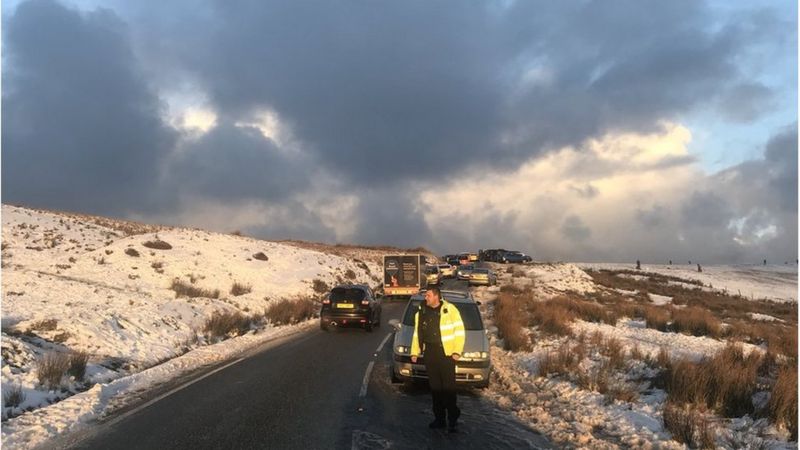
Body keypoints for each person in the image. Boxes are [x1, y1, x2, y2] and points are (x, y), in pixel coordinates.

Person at [410, 287, 465, 432]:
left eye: (428, 295)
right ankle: (439, 418)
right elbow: (417, 333)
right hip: (430, 352)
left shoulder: (450, 309)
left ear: (436, 297)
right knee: (435, 388)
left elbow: (459, 331)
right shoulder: (421, 311)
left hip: (446, 353)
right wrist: (414, 352)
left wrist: (456, 351)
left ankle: (453, 417)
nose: (425, 298)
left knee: (448, 388)